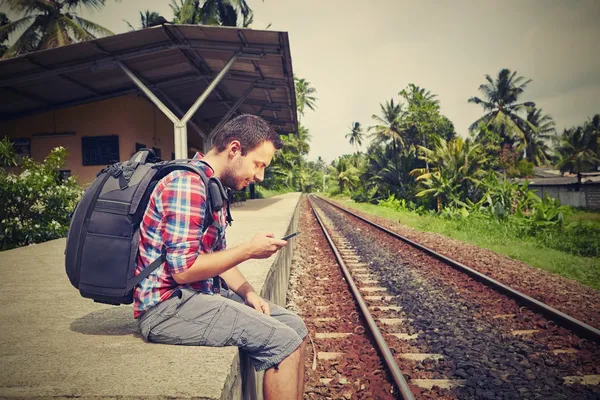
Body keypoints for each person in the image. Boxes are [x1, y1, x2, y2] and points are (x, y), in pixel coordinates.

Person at [134, 114, 307, 400]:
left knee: (295, 328)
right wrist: (249, 250)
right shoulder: (187, 185)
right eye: (258, 164)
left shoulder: (210, 185)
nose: (260, 176)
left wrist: (250, 294)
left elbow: (216, 258)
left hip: (196, 297)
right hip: (165, 308)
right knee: (282, 341)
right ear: (234, 149)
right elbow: (183, 271)